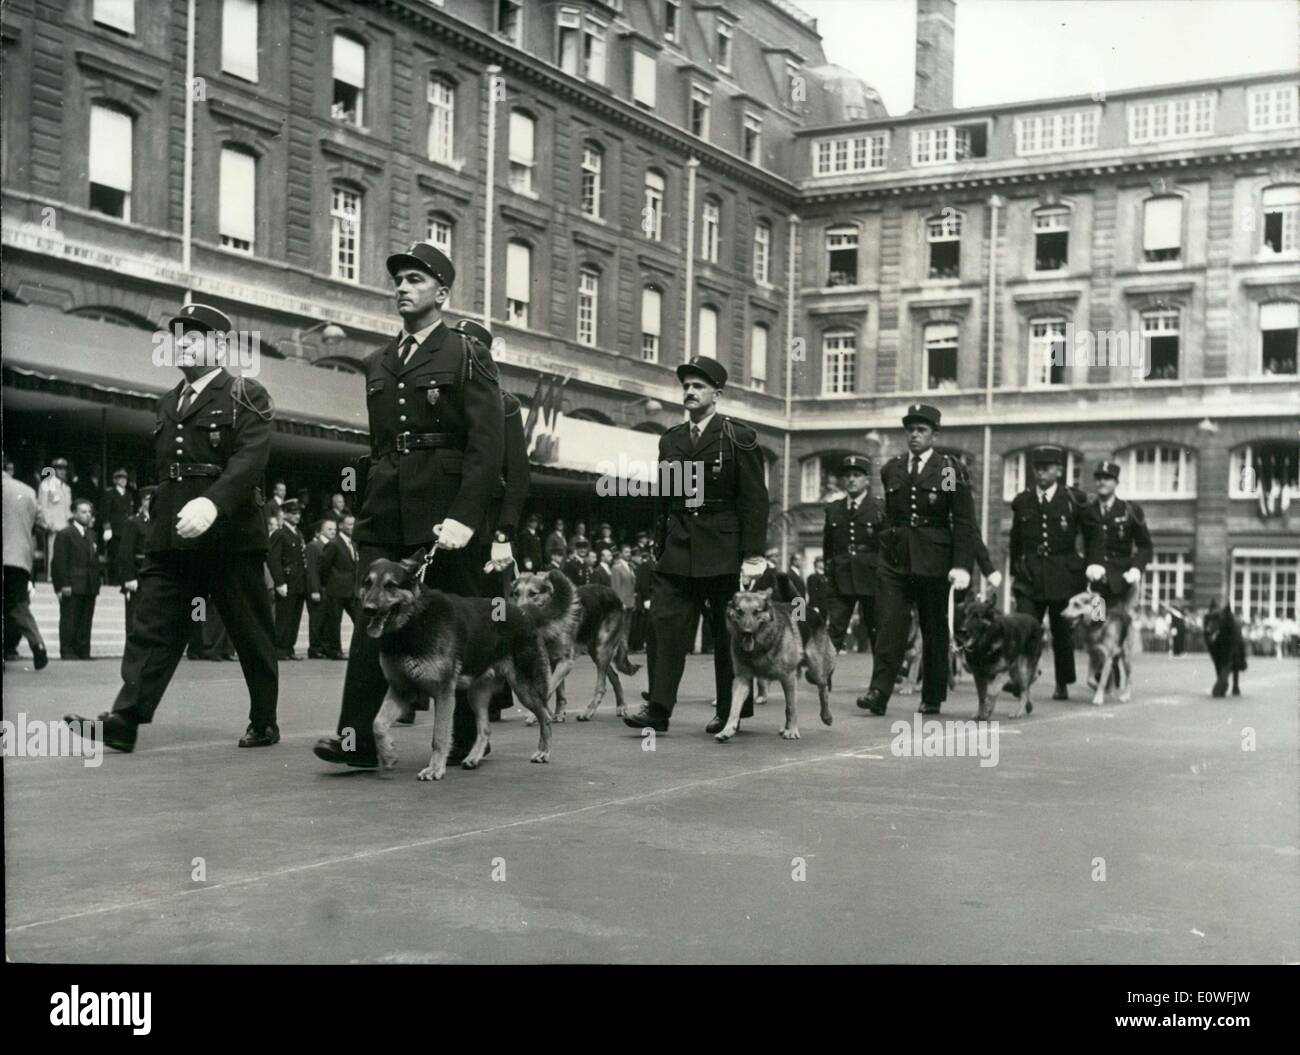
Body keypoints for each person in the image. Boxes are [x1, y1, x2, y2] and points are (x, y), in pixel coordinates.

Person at [312, 241, 505, 770]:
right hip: (385, 509)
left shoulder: (468, 354)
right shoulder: (379, 360)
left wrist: (467, 515)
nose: (402, 287)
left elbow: (487, 446)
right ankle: (358, 740)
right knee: (370, 613)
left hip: (445, 512)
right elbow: (379, 445)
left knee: (459, 619)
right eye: (398, 280)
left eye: (416, 280)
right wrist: (365, 503)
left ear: (441, 293)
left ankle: (466, 738)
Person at [64, 303, 280, 753]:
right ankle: (125, 720)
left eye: (193, 336)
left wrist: (213, 503)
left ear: (219, 345)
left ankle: (264, 719)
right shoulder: (167, 402)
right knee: (152, 624)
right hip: (173, 536)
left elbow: (248, 462)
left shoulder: (246, 394)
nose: (181, 343)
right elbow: (167, 472)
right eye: (177, 336)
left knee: (249, 631)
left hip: (229, 537)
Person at [623, 355, 769, 735]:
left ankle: (729, 710)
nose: (689, 391)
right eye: (686, 385)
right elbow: (665, 498)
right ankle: (658, 708)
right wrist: (660, 543)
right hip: (679, 547)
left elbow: (754, 499)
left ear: (716, 394)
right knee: (663, 625)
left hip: (723, 548)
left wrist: (754, 554)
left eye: (698, 386)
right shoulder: (671, 439)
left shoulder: (739, 437)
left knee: (727, 633)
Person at [857, 404, 977, 717]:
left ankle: (932, 696)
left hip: (935, 561)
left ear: (935, 435)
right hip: (896, 559)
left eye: (921, 430)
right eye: (910, 429)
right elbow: (890, 517)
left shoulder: (948, 470)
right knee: (889, 625)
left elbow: (962, 520)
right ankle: (879, 692)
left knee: (934, 630)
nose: (914, 435)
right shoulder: (892, 469)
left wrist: (962, 564)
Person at [1008, 444, 1087, 700]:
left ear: (1059, 470)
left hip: (1063, 574)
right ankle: (1020, 679)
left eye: (1047, 468)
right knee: (1022, 627)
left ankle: (1062, 682)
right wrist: (1015, 571)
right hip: (1029, 576)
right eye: (1037, 469)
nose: (1041, 473)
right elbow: (1015, 540)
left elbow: (1093, 535)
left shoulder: (1075, 499)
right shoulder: (1022, 501)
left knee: (1061, 631)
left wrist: (1091, 565)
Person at [822, 454, 884, 655]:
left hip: (871, 576)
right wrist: (829, 571)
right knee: (835, 630)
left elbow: (886, 546)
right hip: (841, 577)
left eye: (856, 475)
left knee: (877, 630)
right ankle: (825, 678)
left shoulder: (879, 508)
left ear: (866, 480)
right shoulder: (833, 509)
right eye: (848, 475)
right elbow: (828, 547)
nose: (851, 479)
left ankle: (880, 683)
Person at [1081, 460, 1153, 610]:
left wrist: (1136, 569)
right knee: (1096, 625)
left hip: (1122, 582)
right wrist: (1088, 565)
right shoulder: (1087, 511)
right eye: (1099, 478)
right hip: (1096, 587)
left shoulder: (1130, 510)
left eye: (1107, 478)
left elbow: (1145, 546)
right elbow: (1077, 542)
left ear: (1116, 482)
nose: (1102, 482)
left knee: (1119, 626)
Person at [3, 457, 49, 669]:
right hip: (18, 558)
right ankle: (37, 643)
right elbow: (43, 524)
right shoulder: (28, 491)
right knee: (18, 604)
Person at [52, 499, 100, 660]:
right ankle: (67, 650)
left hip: (89, 583)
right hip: (72, 583)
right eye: (83, 512)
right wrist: (62, 584)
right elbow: (59, 561)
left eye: (89, 512)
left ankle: (83, 650)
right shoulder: (65, 534)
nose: (87, 515)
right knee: (70, 619)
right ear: (74, 513)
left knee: (86, 619)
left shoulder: (92, 535)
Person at [269, 498, 307, 660]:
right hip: (287, 580)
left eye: (298, 513)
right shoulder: (280, 534)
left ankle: (289, 647)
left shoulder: (297, 533)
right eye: (293, 513)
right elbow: (274, 559)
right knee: (284, 617)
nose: (297, 516)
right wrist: (279, 582)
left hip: (299, 581)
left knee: (295, 617)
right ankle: (280, 649)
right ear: (284, 514)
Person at [115, 487, 155, 636]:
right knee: (135, 619)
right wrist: (129, 578)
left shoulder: (157, 522)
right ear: (143, 501)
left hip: (153, 577)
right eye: (148, 499)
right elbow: (125, 553)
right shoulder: (134, 522)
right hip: (138, 577)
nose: (151, 503)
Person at [319, 512, 358, 660]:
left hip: (351, 589)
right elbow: (324, 566)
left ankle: (356, 650)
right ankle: (334, 650)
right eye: (349, 524)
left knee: (358, 618)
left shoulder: (353, 543)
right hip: (336, 588)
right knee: (334, 622)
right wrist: (327, 584)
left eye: (354, 524)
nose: (352, 527)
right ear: (341, 525)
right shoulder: (334, 544)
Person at [37, 456, 73, 582]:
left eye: (64, 468)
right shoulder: (46, 485)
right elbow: (41, 506)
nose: (62, 471)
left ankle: (62, 577)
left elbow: (67, 509)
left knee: (64, 555)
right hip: (53, 527)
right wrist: (47, 523)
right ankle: (50, 577)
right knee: (52, 554)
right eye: (59, 468)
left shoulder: (66, 488)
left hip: (65, 527)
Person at [305, 518, 337, 658]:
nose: (333, 532)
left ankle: (324, 646)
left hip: (329, 589)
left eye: (334, 529)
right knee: (317, 619)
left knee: (326, 619)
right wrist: (314, 590)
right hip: (318, 588)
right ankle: (315, 648)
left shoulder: (332, 545)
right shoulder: (314, 546)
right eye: (329, 529)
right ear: (321, 530)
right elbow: (312, 570)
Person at [100, 468, 135, 585]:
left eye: (125, 478)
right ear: (115, 480)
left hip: (126, 530)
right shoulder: (109, 493)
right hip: (115, 530)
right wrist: (107, 528)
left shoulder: (129, 495)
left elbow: (131, 512)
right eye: (120, 478)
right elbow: (105, 512)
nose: (123, 480)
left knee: (125, 556)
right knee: (114, 557)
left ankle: (122, 580)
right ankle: (113, 581)